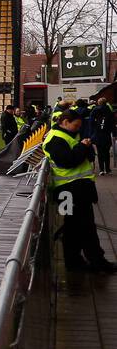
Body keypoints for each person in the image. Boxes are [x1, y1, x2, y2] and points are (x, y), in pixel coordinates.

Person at [42, 109, 116, 272]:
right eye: (75, 125)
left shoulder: (70, 135)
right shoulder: (55, 139)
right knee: (81, 227)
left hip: (76, 189)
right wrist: (83, 147)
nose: (78, 129)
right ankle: (95, 261)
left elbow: (88, 156)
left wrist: (84, 147)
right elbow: (68, 161)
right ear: (65, 122)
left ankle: (76, 261)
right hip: (68, 191)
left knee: (75, 227)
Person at [92, 96, 114, 177]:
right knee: (106, 152)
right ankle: (107, 169)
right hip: (107, 134)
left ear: (99, 103)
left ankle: (101, 170)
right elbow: (112, 124)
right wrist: (114, 134)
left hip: (98, 134)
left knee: (100, 152)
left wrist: (93, 130)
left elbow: (91, 121)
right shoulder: (109, 111)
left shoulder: (95, 110)